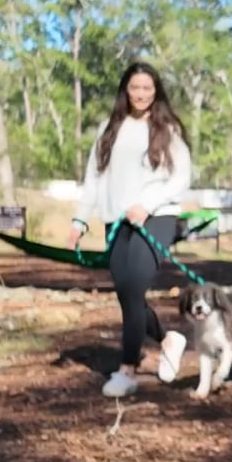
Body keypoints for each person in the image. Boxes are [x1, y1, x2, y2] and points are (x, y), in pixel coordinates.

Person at [72, 63, 193, 398]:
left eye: (148, 89)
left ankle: (127, 370)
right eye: (135, 88)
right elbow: (94, 178)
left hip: (155, 217)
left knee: (135, 285)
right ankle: (168, 339)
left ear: (156, 92)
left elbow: (181, 177)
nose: (141, 94)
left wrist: (148, 203)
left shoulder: (166, 128)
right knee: (128, 293)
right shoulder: (109, 128)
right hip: (117, 219)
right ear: (126, 89)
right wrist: (80, 219)